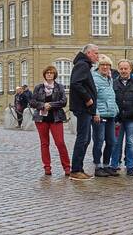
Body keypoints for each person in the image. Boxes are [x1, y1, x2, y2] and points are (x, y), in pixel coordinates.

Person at [32, 65, 71, 177]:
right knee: (44, 143)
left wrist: (51, 105)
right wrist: (43, 105)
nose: (49, 74)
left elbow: (63, 101)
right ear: (44, 74)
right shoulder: (38, 87)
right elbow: (33, 102)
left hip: (56, 118)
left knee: (60, 142)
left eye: (51, 73)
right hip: (41, 119)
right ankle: (47, 167)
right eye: (47, 72)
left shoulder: (59, 87)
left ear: (54, 75)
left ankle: (67, 166)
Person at [67, 44, 99, 180]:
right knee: (83, 138)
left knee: (85, 139)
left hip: (86, 109)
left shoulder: (84, 64)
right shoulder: (82, 65)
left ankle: (78, 168)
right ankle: (75, 170)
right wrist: (87, 98)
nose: (98, 56)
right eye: (96, 53)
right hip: (83, 108)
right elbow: (76, 83)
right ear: (89, 53)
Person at [111, 59, 133, 176]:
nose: (124, 71)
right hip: (117, 119)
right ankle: (114, 165)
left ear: (130, 69)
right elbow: (110, 100)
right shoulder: (113, 82)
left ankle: (130, 166)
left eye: (126, 68)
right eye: (121, 69)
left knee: (130, 142)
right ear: (118, 69)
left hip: (132, 118)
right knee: (116, 143)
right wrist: (116, 114)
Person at [91, 57, 119, 176]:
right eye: (103, 65)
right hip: (99, 115)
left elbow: (111, 95)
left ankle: (106, 165)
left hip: (110, 114)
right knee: (99, 141)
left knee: (111, 141)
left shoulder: (109, 78)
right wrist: (95, 112)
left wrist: (116, 109)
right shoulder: (94, 78)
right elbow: (93, 97)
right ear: (99, 66)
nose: (105, 67)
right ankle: (98, 167)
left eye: (108, 65)